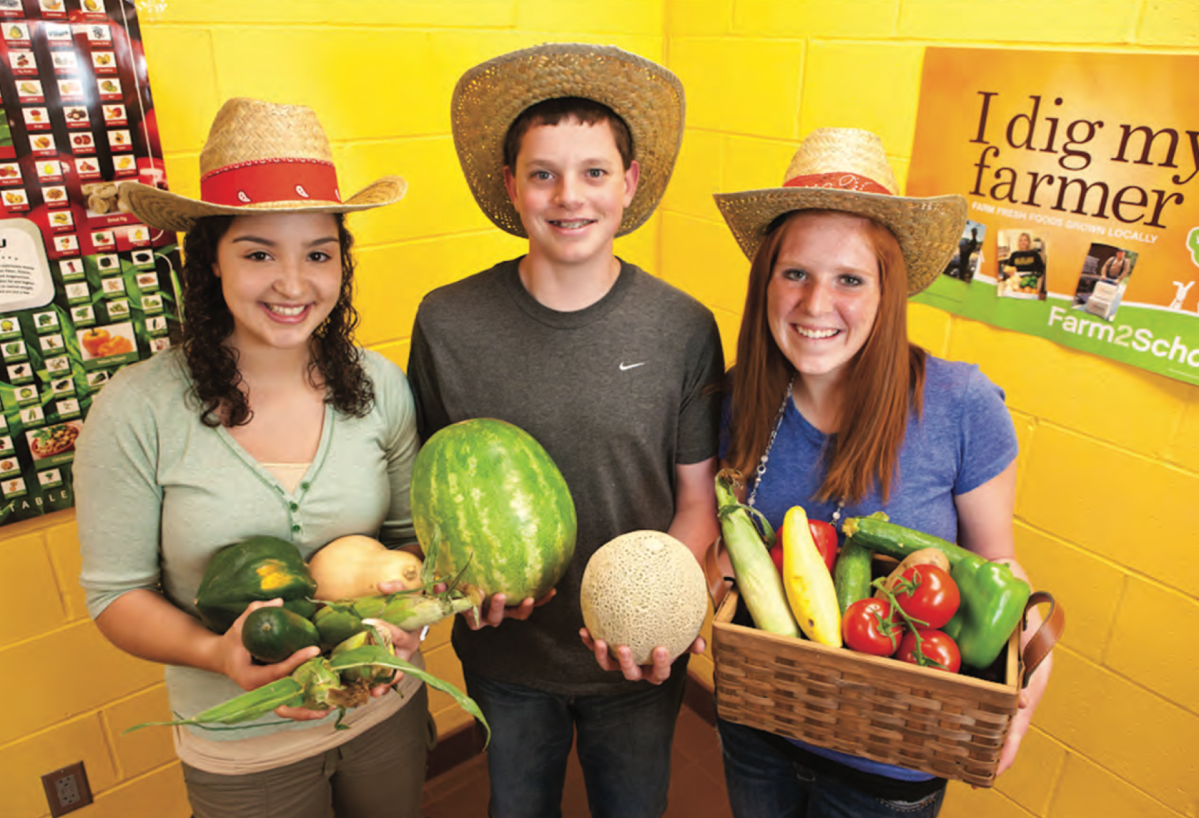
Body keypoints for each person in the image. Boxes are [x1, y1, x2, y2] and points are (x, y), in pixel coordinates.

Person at [75, 98, 428, 818]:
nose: (293, 285)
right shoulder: (134, 409)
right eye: (259, 251)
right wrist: (218, 656)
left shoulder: (382, 386)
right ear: (209, 260)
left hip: (385, 713)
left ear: (341, 263)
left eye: (317, 254)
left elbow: (409, 542)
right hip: (242, 751)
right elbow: (116, 597)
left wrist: (411, 626)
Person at [404, 43, 724, 818]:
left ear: (630, 183)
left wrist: (660, 623)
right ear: (511, 187)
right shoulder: (447, 321)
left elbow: (695, 504)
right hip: (504, 658)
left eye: (593, 172)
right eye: (543, 173)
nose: (567, 196)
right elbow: (422, 490)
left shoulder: (682, 327)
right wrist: (451, 584)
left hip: (637, 665)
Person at [710, 127, 1053, 818]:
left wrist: (1026, 685)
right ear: (766, 280)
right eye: (795, 273)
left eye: (849, 279)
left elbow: (998, 565)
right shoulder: (739, 395)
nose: (813, 306)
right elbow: (730, 550)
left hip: (890, 768)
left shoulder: (960, 404)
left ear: (886, 289)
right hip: (757, 735)